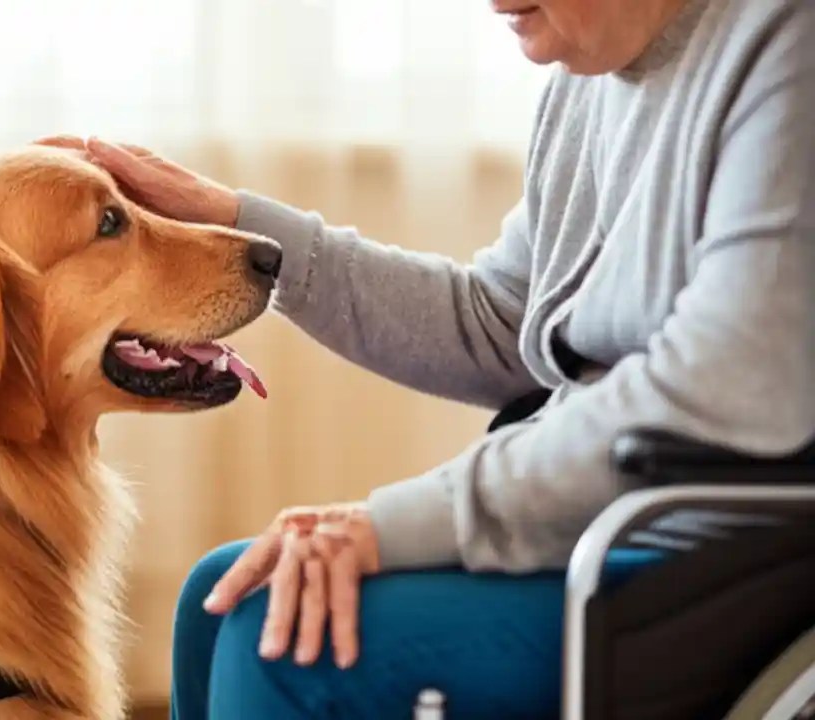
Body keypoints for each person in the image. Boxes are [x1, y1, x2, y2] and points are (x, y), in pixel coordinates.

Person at [43, 0, 814, 716]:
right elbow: (506, 321)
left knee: (275, 638)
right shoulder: (593, 74)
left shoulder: (787, 44)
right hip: (602, 529)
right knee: (215, 599)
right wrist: (238, 222)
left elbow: (727, 382)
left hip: (721, 558)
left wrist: (400, 522)